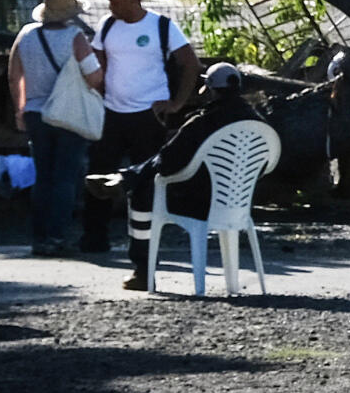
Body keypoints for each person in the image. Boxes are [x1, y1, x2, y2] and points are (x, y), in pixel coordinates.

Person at [86, 62, 267, 292]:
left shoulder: (202, 122)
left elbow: (168, 162)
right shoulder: (257, 123)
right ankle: (126, 178)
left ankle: (143, 271)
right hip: (239, 202)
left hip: (196, 203)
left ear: (210, 90)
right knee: (151, 172)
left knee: (143, 191)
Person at [79, 0, 202, 255]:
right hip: (111, 113)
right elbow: (97, 62)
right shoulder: (107, 26)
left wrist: (176, 103)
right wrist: (97, 94)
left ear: (134, 0)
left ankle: (144, 243)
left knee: (145, 181)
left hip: (149, 117)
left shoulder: (162, 27)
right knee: (98, 176)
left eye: (115, 2)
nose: (110, 7)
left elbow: (190, 64)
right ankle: (94, 238)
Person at [8, 0, 103, 256]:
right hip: (67, 114)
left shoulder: (26, 34)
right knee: (65, 177)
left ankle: (39, 237)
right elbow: (94, 76)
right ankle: (58, 236)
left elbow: (15, 75)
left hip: (36, 112)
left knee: (43, 177)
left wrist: (20, 108)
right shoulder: (74, 39)